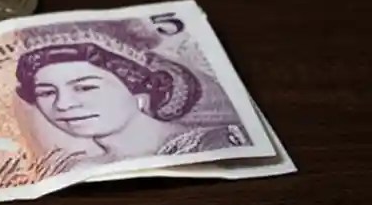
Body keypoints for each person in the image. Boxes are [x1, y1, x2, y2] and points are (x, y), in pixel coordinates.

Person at [15, 28, 246, 162]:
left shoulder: (218, 145)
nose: (63, 104)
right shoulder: (83, 168)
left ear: (140, 89)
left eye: (85, 87)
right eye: (46, 92)